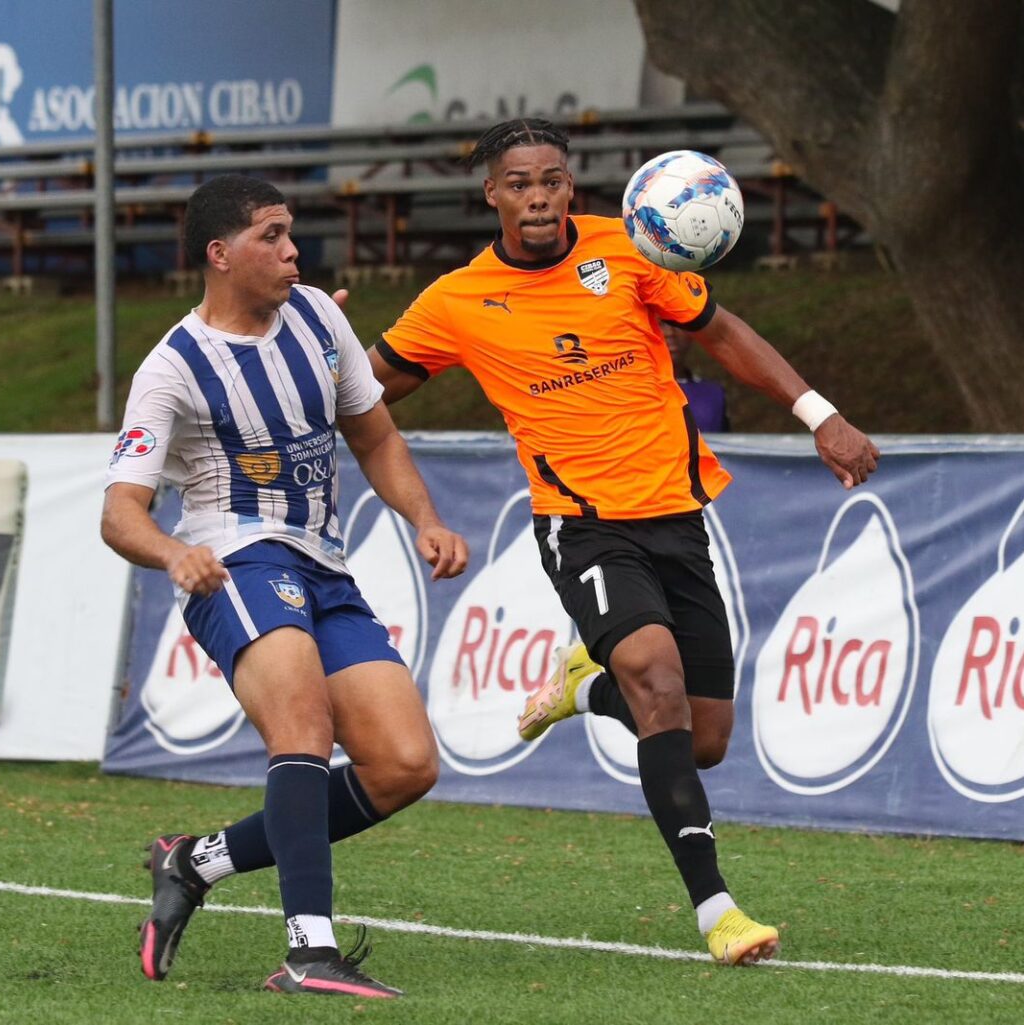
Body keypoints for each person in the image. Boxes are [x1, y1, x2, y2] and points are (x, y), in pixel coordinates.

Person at [368, 118, 879, 966]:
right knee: (657, 678)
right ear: (491, 193)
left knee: (701, 736)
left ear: (571, 187)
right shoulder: (456, 301)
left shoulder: (634, 248)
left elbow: (722, 332)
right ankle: (718, 910)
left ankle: (583, 688)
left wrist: (819, 416)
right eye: (521, 182)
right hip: (583, 527)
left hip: (677, 516)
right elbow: (366, 389)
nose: (540, 196)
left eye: (555, 180)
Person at [102, 174, 469, 998]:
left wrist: (424, 518)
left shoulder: (318, 315)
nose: (292, 250)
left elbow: (375, 437)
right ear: (219, 253)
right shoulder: (172, 369)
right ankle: (309, 950)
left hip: (324, 563)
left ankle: (195, 859)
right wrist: (170, 553)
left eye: (291, 232)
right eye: (272, 235)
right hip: (236, 562)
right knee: (302, 723)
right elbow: (119, 512)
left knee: (404, 763)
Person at [662, 320, 729, 432]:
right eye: (661, 324)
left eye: (677, 324)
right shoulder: (632, 392)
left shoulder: (713, 394)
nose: (670, 332)